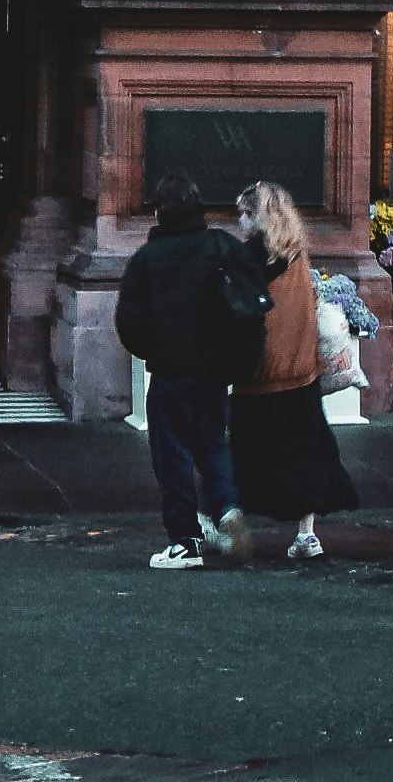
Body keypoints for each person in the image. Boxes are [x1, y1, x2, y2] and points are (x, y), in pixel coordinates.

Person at [114, 172, 259, 570]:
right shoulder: (221, 246)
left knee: (172, 452)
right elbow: (251, 302)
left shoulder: (146, 259)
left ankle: (185, 539)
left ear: (161, 212)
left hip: (170, 373)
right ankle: (227, 506)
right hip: (213, 372)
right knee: (213, 442)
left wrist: (153, 350)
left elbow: (128, 322)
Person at [222, 181, 360, 563]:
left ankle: (226, 524)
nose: (240, 221)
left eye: (245, 214)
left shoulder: (250, 257)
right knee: (306, 456)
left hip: (261, 376)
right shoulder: (297, 254)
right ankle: (306, 534)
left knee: (246, 456)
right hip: (300, 374)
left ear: (258, 215)